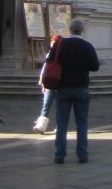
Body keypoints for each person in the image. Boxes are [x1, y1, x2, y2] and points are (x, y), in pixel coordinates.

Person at [48, 18, 99, 163]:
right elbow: (95, 66)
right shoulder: (87, 46)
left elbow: (50, 61)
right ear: (82, 30)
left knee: (61, 123)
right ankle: (82, 155)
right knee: (82, 123)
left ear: (70, 29)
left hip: (63, 88)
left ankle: (59, 154)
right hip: (81, 88)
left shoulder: (60, 44)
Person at [34, 34, 60, 134]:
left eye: (53, 42)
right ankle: (42, 125)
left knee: (52, 105)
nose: (52, 44)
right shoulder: (51, 53)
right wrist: (42, 81)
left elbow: (46, 68)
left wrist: (42, 81)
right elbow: (45, 68)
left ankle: (53, 126)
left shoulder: (54, 54)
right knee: (47, 104)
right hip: (52, 81)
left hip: (53, 81)